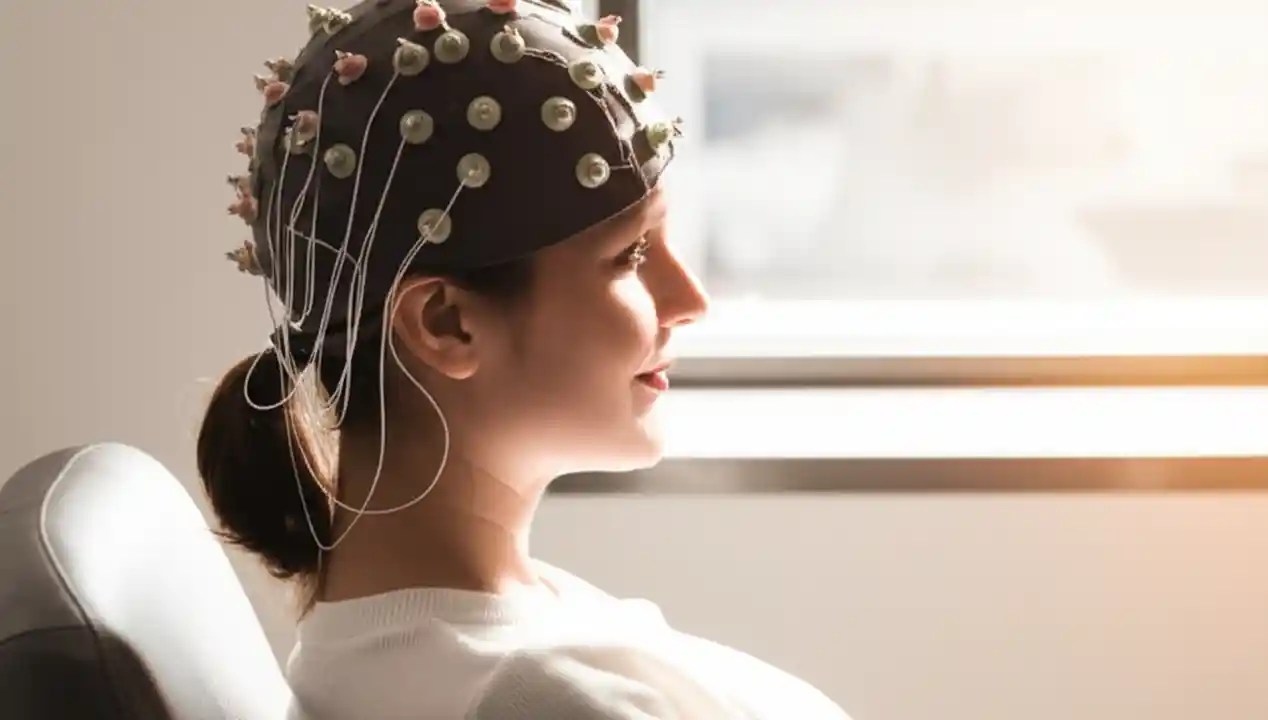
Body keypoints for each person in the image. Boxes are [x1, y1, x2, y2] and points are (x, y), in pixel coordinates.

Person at [198, 1, 852, 717]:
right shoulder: (540, 698)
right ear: (447, 324)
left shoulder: (449, 636)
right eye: (630, 255)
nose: (690, 299)